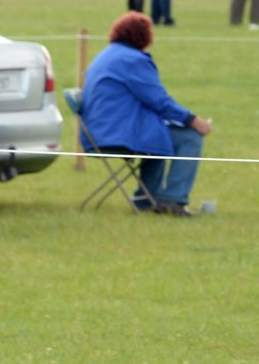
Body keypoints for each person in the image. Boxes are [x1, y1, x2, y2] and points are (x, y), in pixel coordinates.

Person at [80, 12, 211, 216]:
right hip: (118, 134)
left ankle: (146, 198)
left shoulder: (107, 54)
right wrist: (192, 120)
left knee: (158, 133)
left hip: (98, 132)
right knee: (189, 137)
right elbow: (158, 100)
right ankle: (173, 200)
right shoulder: (133, 60)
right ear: (144, 37)